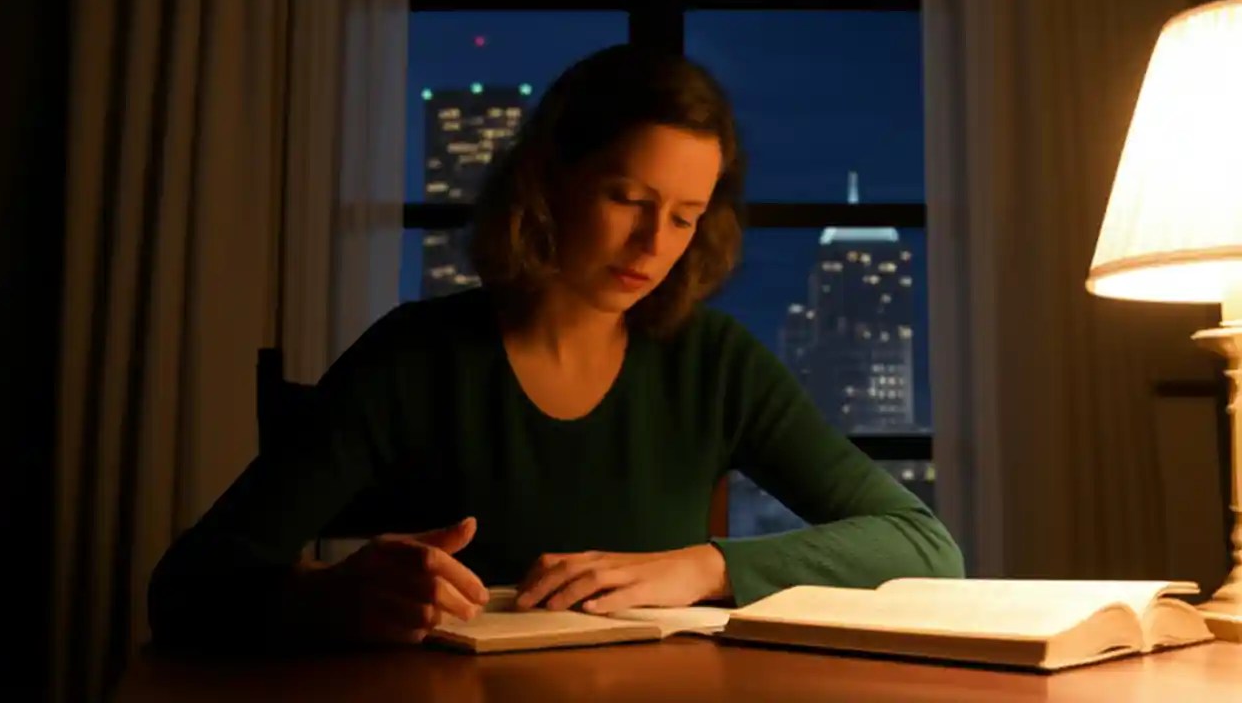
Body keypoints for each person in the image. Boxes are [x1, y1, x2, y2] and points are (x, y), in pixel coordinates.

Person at [148, 44, 963, 649]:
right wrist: (329, 597)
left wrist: (706, 567)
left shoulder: (712, 360)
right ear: (548, 181)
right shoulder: (415, 357)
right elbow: (187, 590)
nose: (653, 243)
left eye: (684, 217)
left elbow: (926, 547)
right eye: (627, 199)